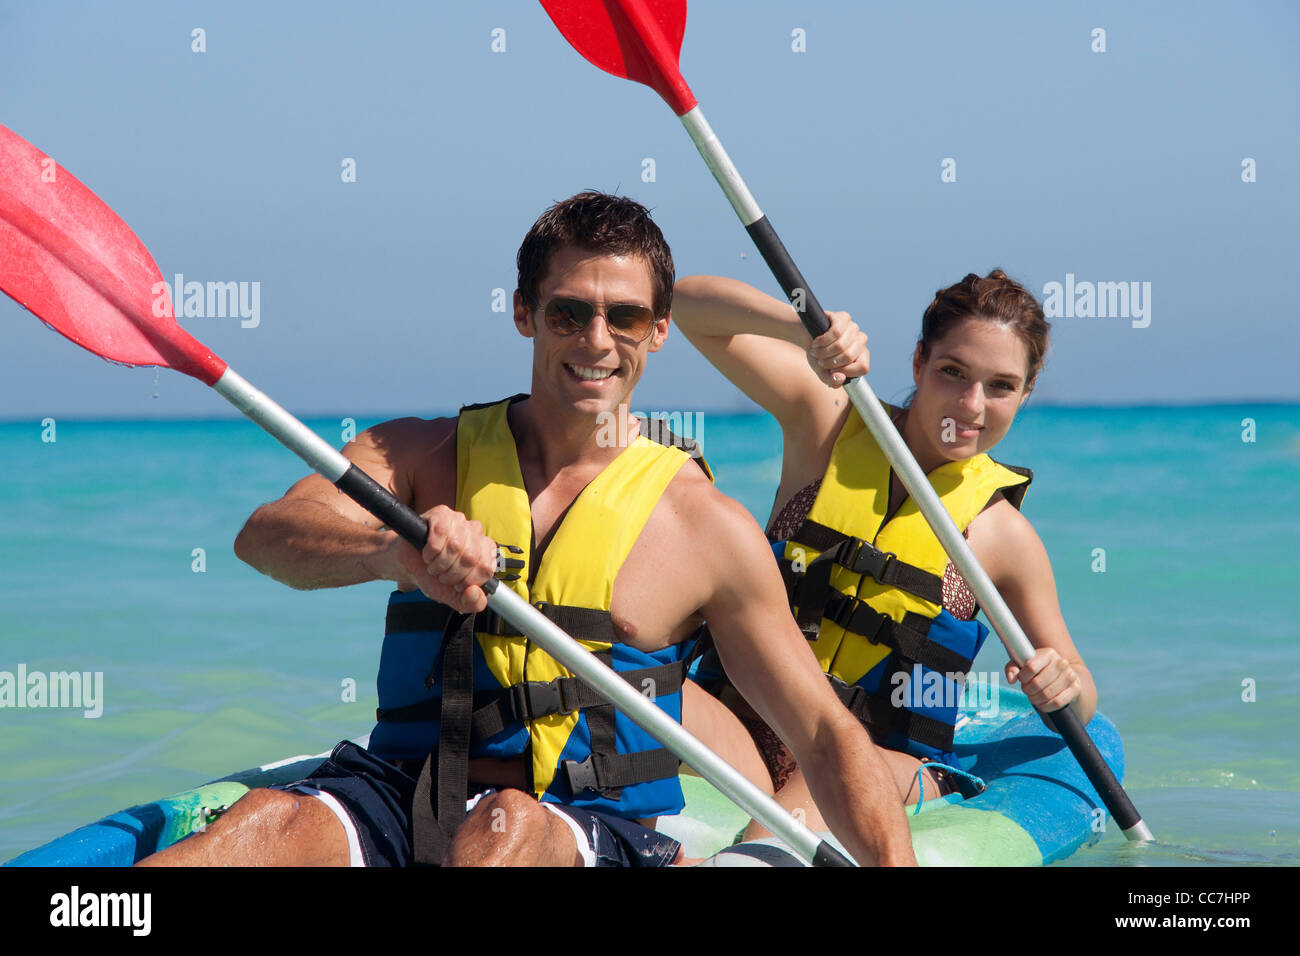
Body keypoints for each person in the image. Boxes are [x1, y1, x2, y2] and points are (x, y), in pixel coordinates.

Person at [136, 192, 917, 868]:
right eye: (569, 312)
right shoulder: (421, 456)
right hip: (399, 795)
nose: (597, 340)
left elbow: (822, 733)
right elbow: (269, 538)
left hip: (582, 831)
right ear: (524, 314)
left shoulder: (704, 526)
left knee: (504, 828)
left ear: (660, 331)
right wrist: (394, 550)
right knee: (268, 823)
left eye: (627, 316)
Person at [672, 270, 1096, 840]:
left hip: (880, 764)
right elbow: (682, 305)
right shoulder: (824, 424)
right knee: (620, 678)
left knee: (831, 773)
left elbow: (1079, 691)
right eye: (953, 372)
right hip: (745, 726)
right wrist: (806, 331)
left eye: (1000, 386)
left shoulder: (1003, 538)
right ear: (919, 361)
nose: (971, 405)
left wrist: (1060, 683)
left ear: (1026, 391)